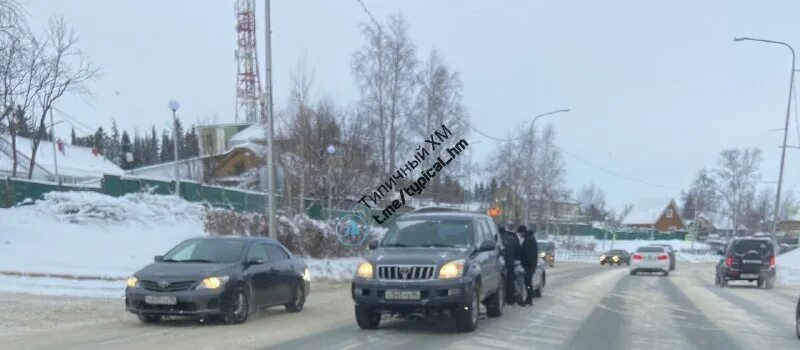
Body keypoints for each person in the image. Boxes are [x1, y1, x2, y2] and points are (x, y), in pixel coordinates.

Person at [498, 224, 520, 304]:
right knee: (510, 281)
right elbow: (518, 251)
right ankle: (509, 298)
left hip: (499, 264)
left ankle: (502, 298)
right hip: (510, 264)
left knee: (500, 282)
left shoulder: (498, 239)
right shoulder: (513, 238)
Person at [518, 225, 538, 306]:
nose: (519, 235)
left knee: (528, 283)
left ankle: (529, 299)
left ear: (523, 232)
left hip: (529, 265)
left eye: (520, 233)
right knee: (528, 283)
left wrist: (524, 263)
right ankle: (529, 299)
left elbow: (527, 254)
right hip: (531, 265)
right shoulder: (530, 238)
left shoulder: (528, 240)